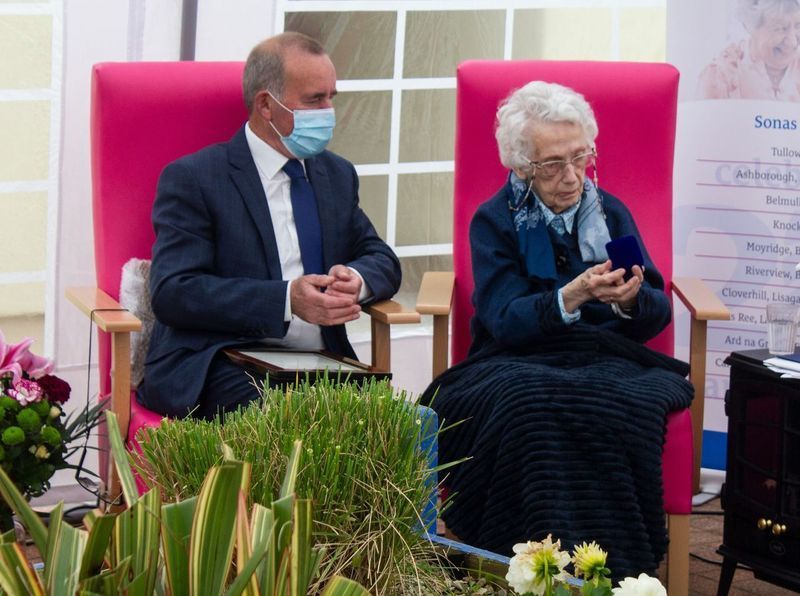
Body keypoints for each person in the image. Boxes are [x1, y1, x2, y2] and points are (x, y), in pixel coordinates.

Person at [420, 82, 693, 580]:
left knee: (622, 407)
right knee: (528, 407)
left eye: (581, 157)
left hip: (606, 358)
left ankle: (608, 573)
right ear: (522, 166)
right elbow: (505, 319)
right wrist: (574, 295)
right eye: (552, 165)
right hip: (513, 361)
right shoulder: (496, 220)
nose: (572, 177)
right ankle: (525, 571)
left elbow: (655, 308)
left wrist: (629, 299)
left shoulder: (609, 213)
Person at [139, 32, 401, 419]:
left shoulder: (335, 174)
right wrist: (286, 300)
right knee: (293, 420)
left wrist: (356, 280)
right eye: (314, 100)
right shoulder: (196, 178)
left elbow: (381, 258)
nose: (328, 112)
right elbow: (174, 292)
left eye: (332, 97)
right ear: (266, 104)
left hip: (320, 361)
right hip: (224, 360)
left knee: (410, 424)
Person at [698, 0, 800, 100]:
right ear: (751, 27)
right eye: (780, 28)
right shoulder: (721, 77)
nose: (793, 42)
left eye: (798, 26)